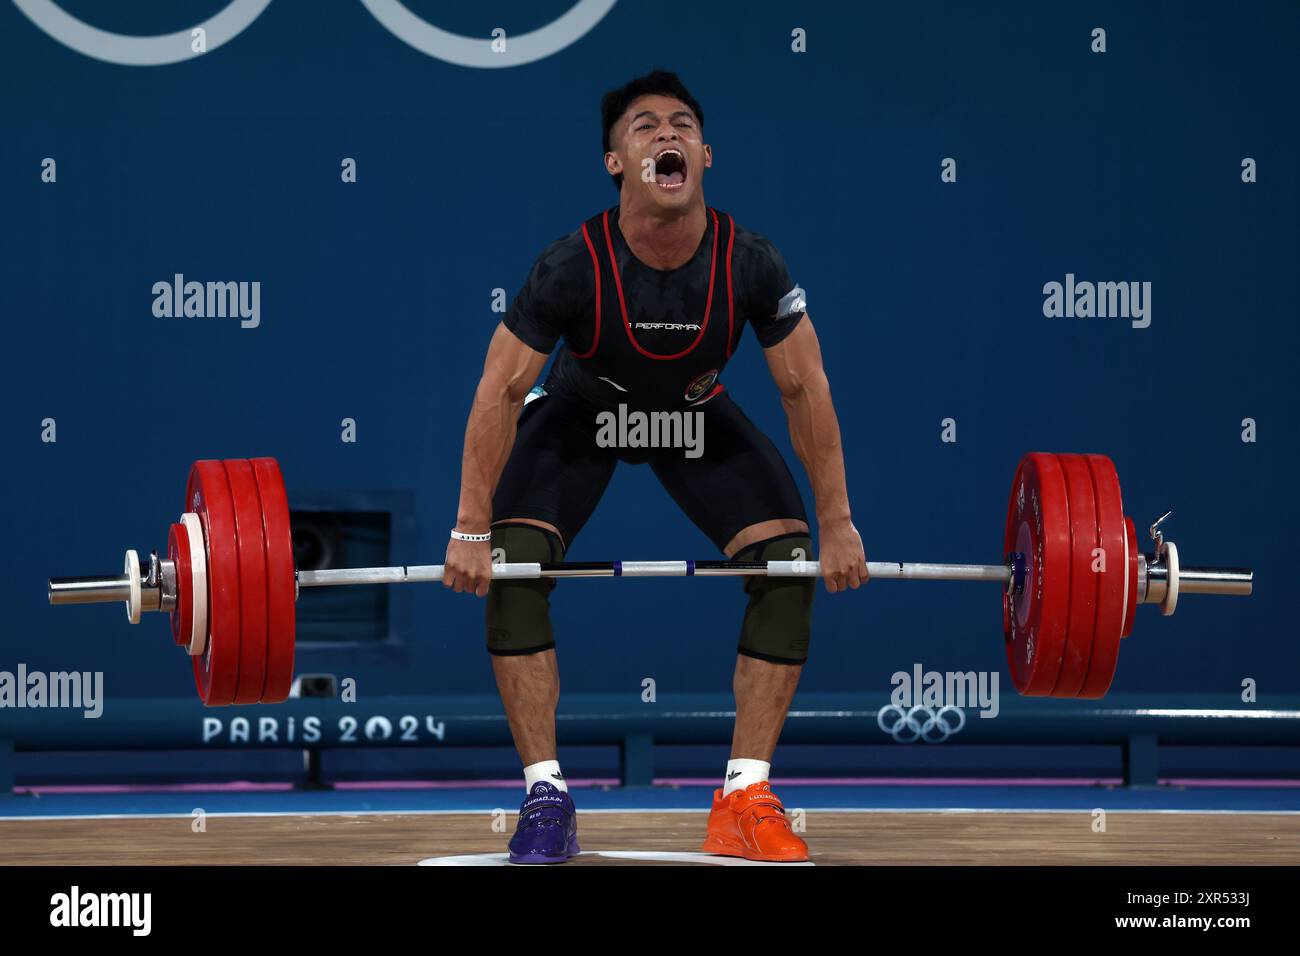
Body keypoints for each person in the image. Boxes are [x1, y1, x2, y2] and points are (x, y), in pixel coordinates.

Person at [443, 69, 868, 863]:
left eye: (681, 125)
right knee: (514, 566)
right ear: (616, 162)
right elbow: (500, 392)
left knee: (788, 561)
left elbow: (805, 390)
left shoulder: (753, 264)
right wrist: (470, 526)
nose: (665, 136)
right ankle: (546, 796)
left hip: (693, 417)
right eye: (643, 126)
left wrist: (837, 521)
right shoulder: (571, 265)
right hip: (581, 415)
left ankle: (744, 795)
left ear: (705, 155)